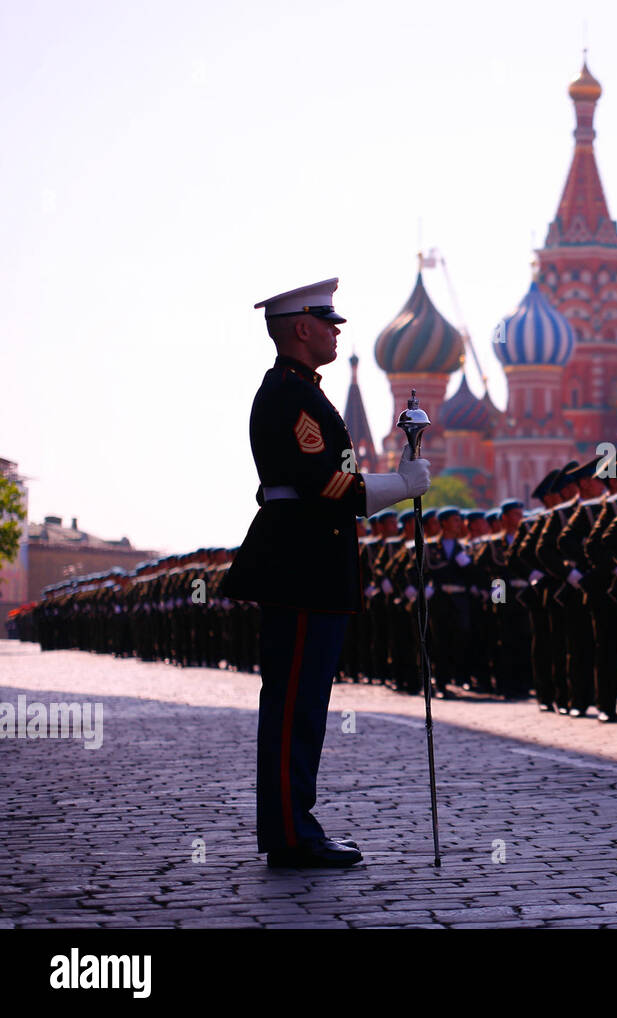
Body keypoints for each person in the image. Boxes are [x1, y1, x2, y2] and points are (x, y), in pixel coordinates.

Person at [222, 277, 431, 868]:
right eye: (327, 322)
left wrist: (394, 478)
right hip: (302, 563)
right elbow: (325, 484)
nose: (336, 332)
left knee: (305, 703)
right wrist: (399, 485)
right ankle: (291, 833)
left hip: (311, 561)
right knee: (295, 704)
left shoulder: (302, 393)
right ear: (301, 328)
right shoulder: (291, 396)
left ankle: (295, 826)